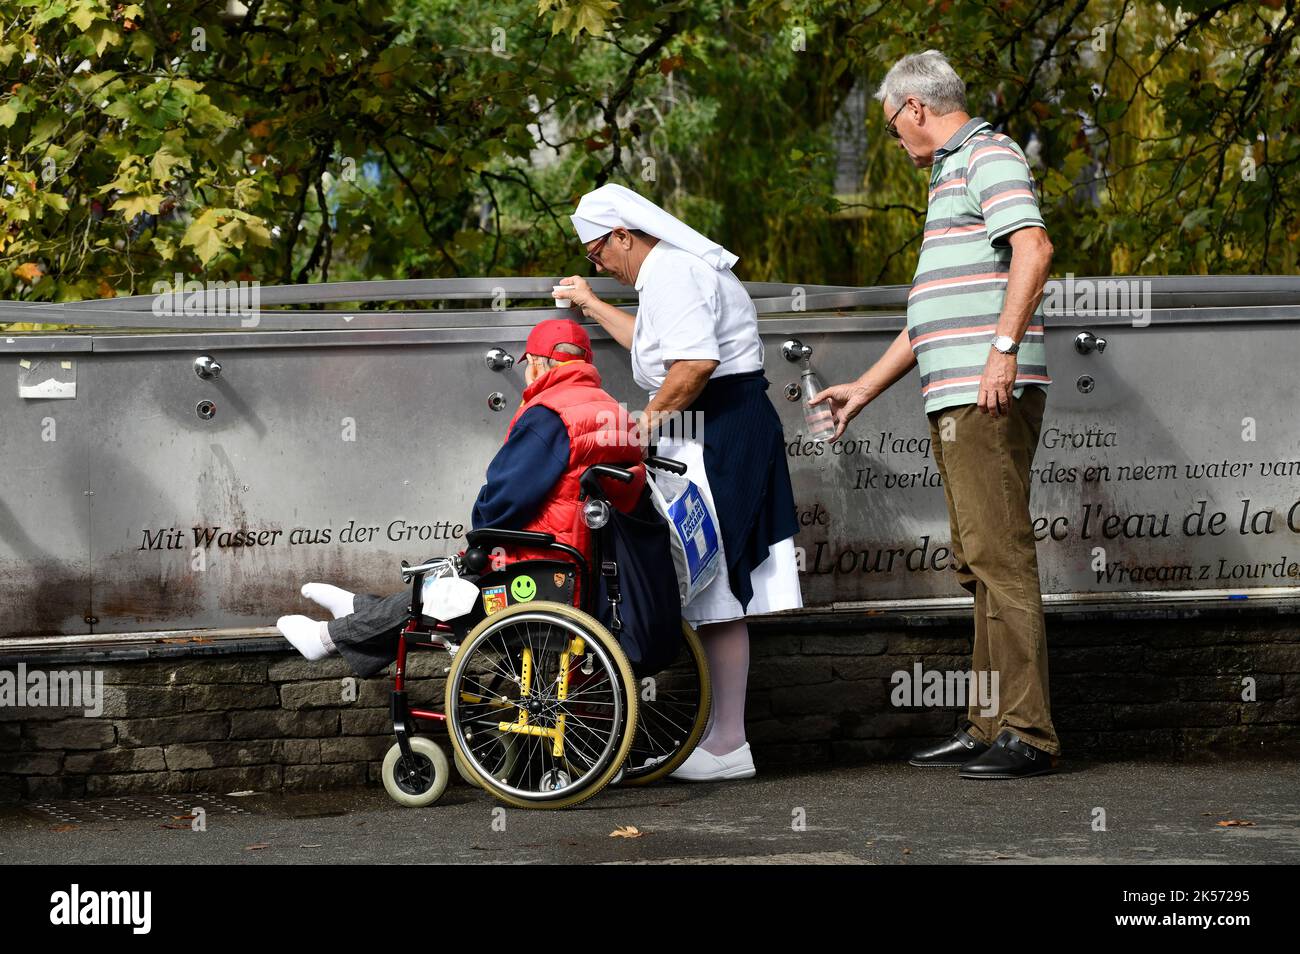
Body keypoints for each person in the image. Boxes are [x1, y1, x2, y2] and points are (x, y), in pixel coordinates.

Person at [811, 50, 1060, 779]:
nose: (895, 141)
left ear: (916, 108)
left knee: (1000, 558)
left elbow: (1034, 248)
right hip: (957, 393)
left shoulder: (987, 153)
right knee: (978, 563)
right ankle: (989, 723)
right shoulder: (950, 173)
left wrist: (1002, 350)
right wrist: (864, 388)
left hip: (986, 393)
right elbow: (928, 316)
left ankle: (1029, 733)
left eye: (893, 126)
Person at [555, 183, 803, 782]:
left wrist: (641, 429)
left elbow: (693, 366)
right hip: (706, 428)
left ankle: (728, 745)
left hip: (718, 431)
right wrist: (589, 302)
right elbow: (652, 348)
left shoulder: (671, 272)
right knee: (705, 586)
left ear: (623, 234)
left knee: (715, 586)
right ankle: (722, 738)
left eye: (596, 253)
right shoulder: (668, 272)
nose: (599, 265)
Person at [276, 318, 645, 677]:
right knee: (446, 575)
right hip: (594, 568)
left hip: (547, 568)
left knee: (448, 584)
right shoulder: (616, 413)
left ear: (536, 363)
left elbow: (502, 500)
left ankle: (328, 638)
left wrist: (482, 531)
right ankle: (358, 610)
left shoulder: (550, 415)